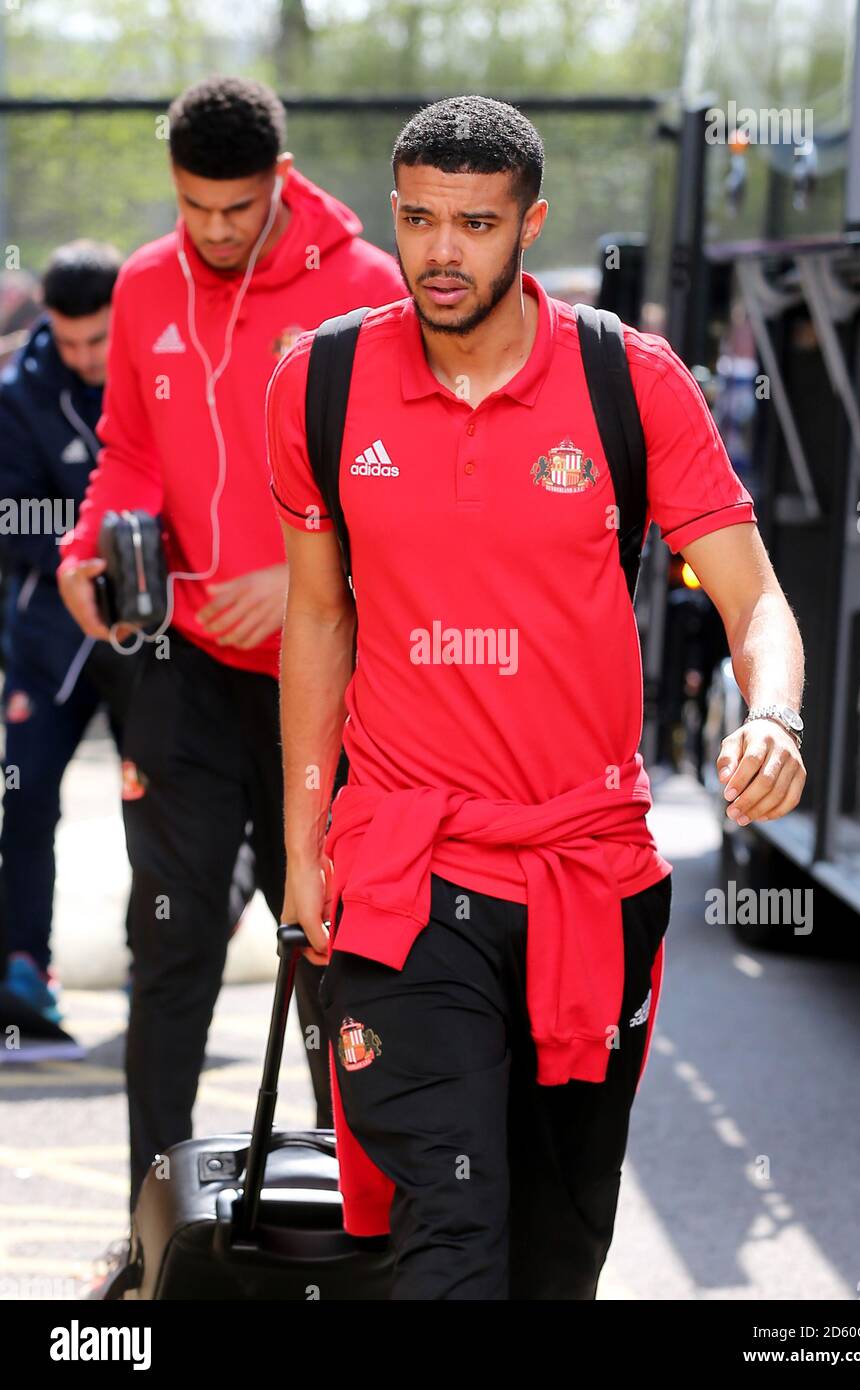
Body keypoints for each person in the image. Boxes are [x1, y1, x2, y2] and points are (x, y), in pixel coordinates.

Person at [267, 95, 807, 1300]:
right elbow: (317, 614)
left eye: (473, 223)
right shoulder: (320, 382)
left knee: (554, 1255)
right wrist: (306, 836)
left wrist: (772, 713)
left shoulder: (632, 380)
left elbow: (752, 597)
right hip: (405, 868)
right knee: (449, 1238)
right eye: (416, 219)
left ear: (531, 225)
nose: (440, 252)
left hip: (585, 873)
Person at [57, 76, 406, 1213]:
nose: (213, 231)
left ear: (281, 181)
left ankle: (363, 1222)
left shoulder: (363, 290)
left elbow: (400, 489)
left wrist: (306, 573)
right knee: (170, 943)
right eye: (194, 206)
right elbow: (129, 456)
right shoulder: (146, 282)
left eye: (238, 209)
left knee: (333, 950)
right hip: (184, 675)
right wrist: (85, 549)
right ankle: (152, 1228)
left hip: (328, 682)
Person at [0, 241, 141, 1024]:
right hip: (48, 640)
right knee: (25, 803)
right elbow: (10, 514)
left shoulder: (159, 375)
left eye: (100, 339)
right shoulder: (16, 391)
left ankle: (150, 970)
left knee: (157, 810)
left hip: (150, 637)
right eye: (70, 338)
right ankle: (22, 972)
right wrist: (94, 550)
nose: (85, 355)